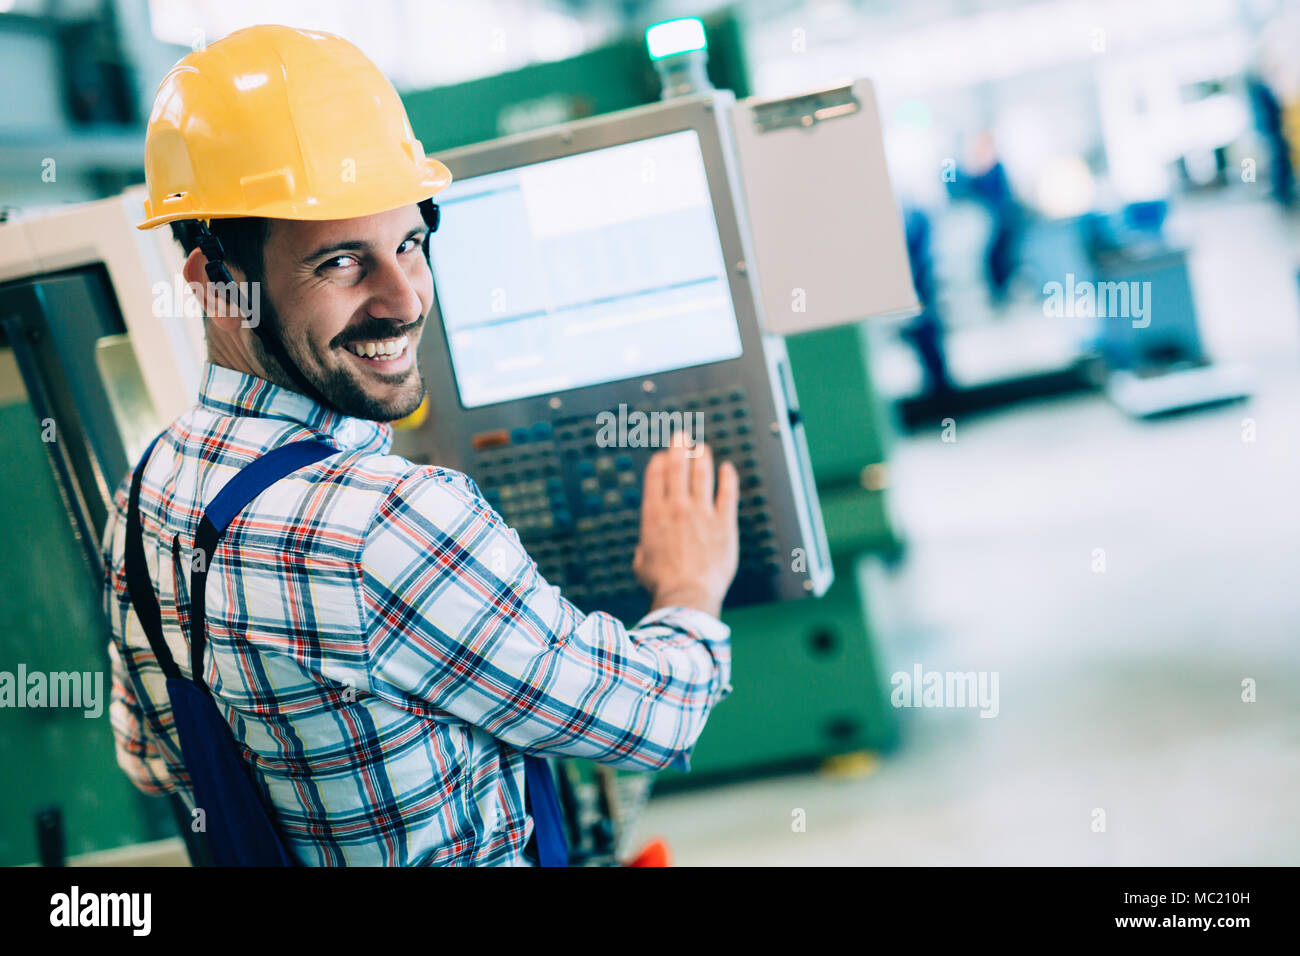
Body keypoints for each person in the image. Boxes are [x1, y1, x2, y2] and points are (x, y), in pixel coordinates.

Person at [103, 25, 739, 866]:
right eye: (340, 262)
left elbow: (152, 764)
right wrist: (688, 587)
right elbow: (653, 718)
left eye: (410, 241)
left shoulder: (143, 499)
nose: (403, 298)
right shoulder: (393, 521)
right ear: (215, 280)